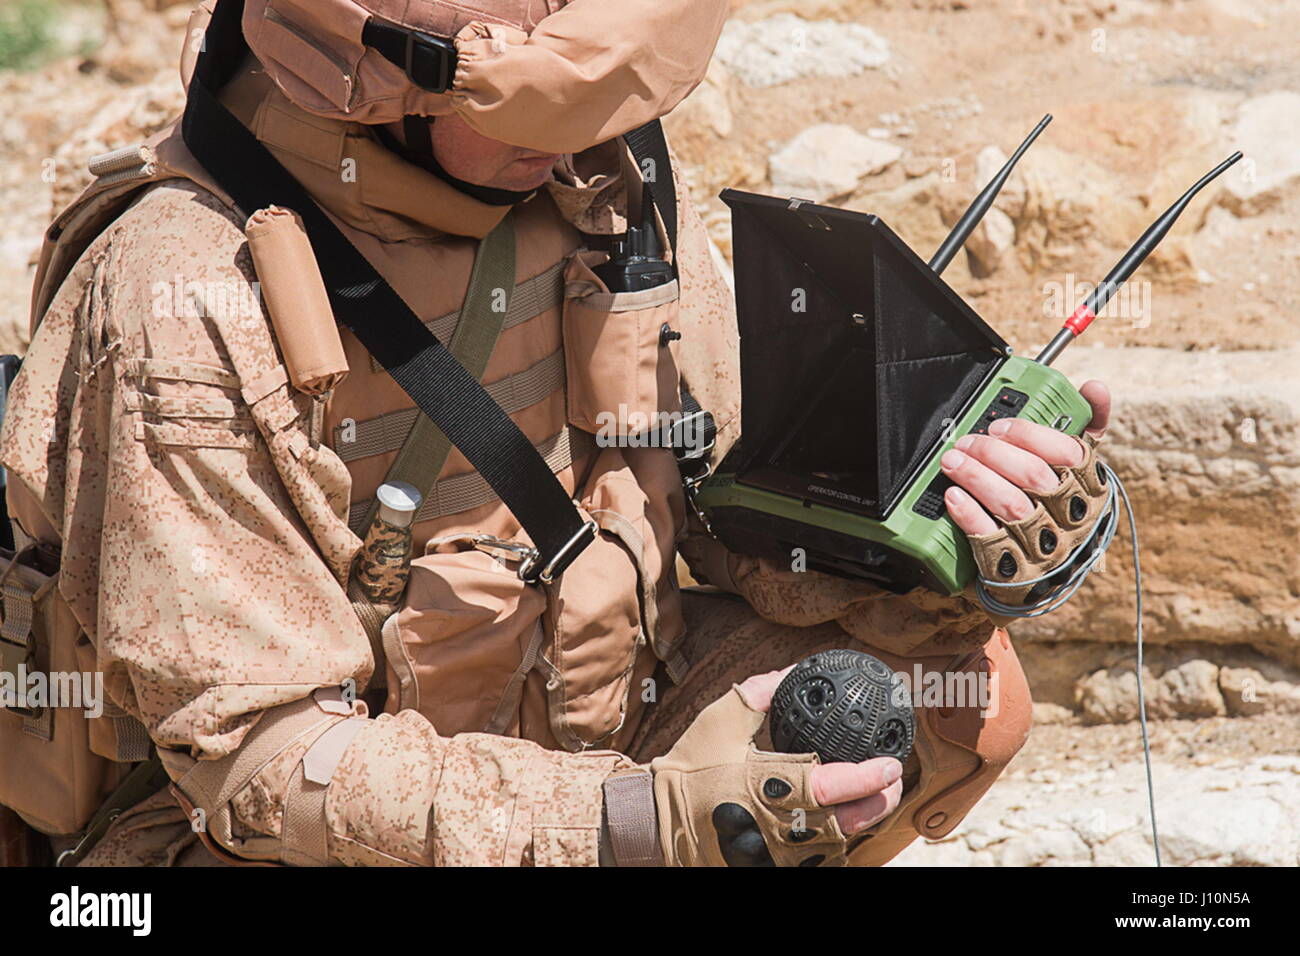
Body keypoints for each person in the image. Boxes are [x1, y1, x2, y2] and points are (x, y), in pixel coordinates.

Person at [0, 0, 1113, 867]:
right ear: (374, 77)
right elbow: (262, 764)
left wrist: (937, 535)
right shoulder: (186, 292)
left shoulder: (599, 174)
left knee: (958, 692)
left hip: (590, 735)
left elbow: (712, 511)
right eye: (539, 99)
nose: (585, 131)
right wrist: (633, 825)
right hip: (310, 831)